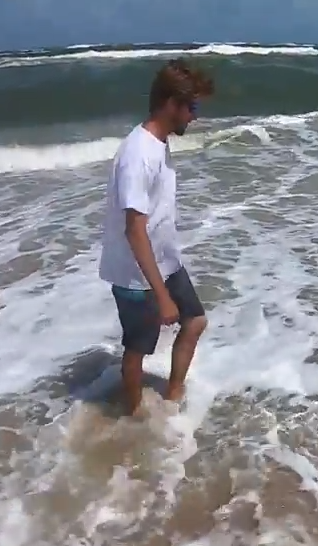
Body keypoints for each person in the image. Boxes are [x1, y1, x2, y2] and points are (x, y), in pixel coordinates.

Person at [99, 58, 214, 415]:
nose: (193, 117)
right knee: (138, 351)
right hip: (136, 275)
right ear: (171, 104)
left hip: (165, 262)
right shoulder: (138, 155)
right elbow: (134, 229)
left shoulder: (158, 143)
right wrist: (162, 297)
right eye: (191, 107)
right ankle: (132, 414)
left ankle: (173, 397)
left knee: (195, 321)